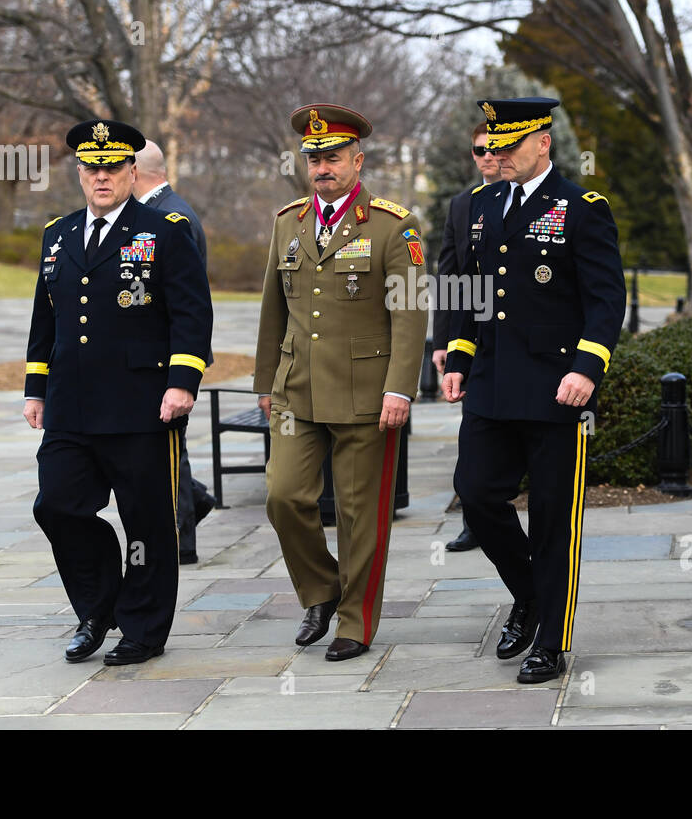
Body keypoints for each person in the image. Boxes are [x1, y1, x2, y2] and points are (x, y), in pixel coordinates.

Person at [442, 97, 626, 684]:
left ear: (543, 142)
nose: (498, 156)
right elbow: (471, 291)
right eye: (493, 146)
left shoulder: (581, 206)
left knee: (552, 518)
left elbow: (606, 300)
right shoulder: (483, 204)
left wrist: (587, 368)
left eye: (510, 145)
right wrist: (457, 357)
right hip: (492, 384)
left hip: (556, 389)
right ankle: (528, 593)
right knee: (475, 494)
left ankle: (552, 639)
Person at [23, 119, 213, 666]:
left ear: (133, 171)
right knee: (57, 505)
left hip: (142, 404)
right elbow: (45, 320)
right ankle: (98, 607)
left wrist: (182, 383)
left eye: (111, 167)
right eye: (91, 168)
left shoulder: (166, 229)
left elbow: (192, 315)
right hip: (71, 404)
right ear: (79, 173)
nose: (100, 177)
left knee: (147, 521)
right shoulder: (57, 234)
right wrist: (36, 388)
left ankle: (144, 630)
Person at [253, 103, 428, 661]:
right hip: (295, 388)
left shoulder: (393, 225)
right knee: (283, 495)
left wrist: (400, 389)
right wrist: (264, 383)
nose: (322, 167)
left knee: (360, 516)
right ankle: (321, 591)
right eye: (314, 158)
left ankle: (355, 621)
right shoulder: (289, 221)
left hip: (367, 393)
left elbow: (410, 313)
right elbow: (271, 309)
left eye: (332, 157)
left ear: (357, 160)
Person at [133, 139, 218, 565]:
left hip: (170, 357)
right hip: (157, 356)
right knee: (165, 446)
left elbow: (186, 301)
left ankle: (182, 539)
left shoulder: (172, 217)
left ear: (135, 172)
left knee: (170, 449)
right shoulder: (160, 211)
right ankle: (197, 501)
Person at [432, 123, 501, 553]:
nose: (488, 157)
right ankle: (473, 520)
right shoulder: (462, 206)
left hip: (519, 336)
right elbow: (449, 277)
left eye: (495, 149)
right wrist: (444, 342)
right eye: (479, 150)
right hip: (472, 336)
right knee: (472, 432)